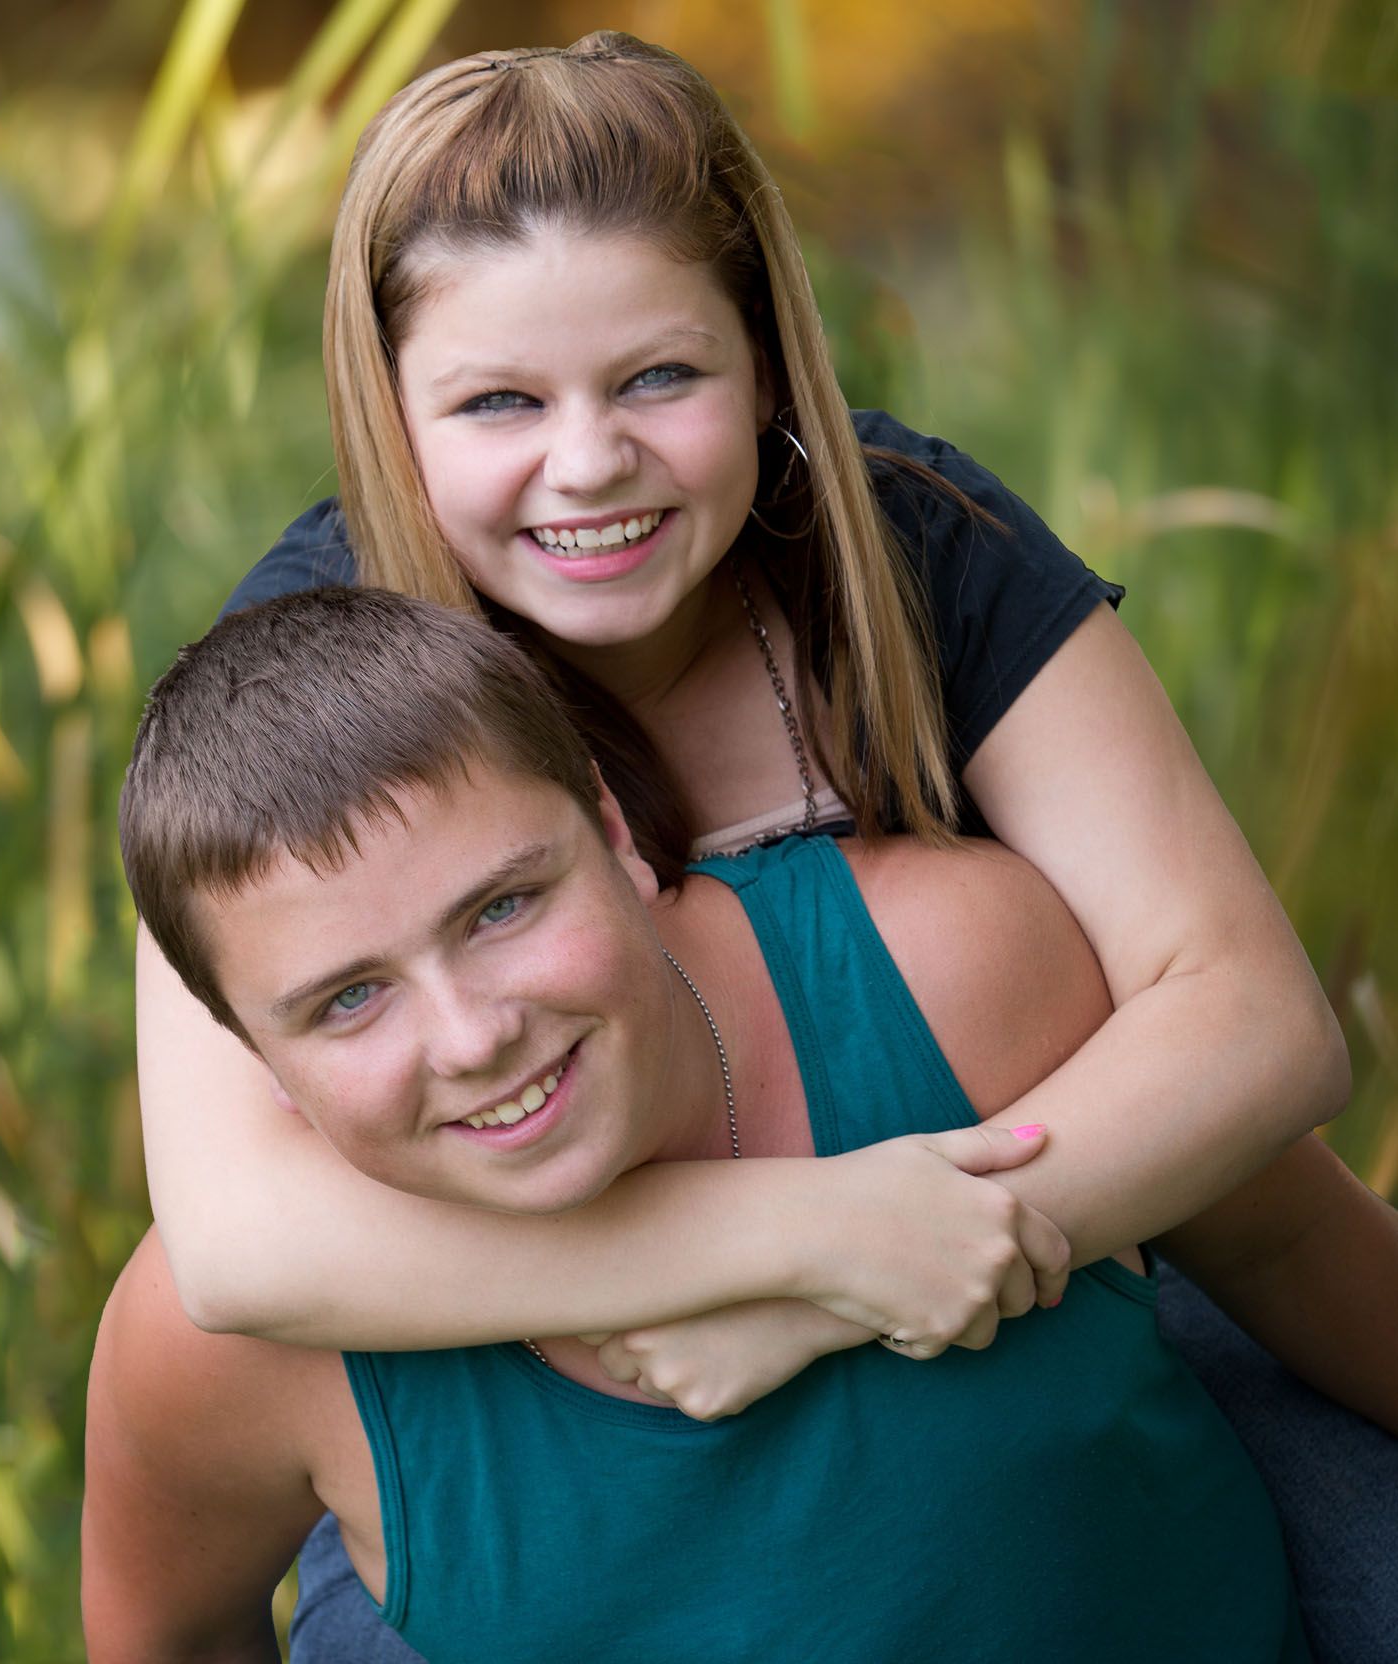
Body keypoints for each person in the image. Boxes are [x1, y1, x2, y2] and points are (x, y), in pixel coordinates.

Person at [125, 34, 1393, 1654]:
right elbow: (236, 1242)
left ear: (771, 364)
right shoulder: (315, 674)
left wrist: (835, 1296)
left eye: (660, 378)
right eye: (500, 401)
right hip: (534, 1405)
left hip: (1037, 1260)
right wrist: (797, 1249)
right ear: (393, 415)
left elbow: (1252, 1020)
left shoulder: (912, 547)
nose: (589, 461)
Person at [87, 587, 1383, 1663]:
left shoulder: (952, 971)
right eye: (349, 999)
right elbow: (168, 1636)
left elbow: (1294, 1249)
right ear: (249, 1057)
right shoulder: (229, 1354)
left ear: (615, 835)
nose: (473, 1037)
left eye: (502, 910)